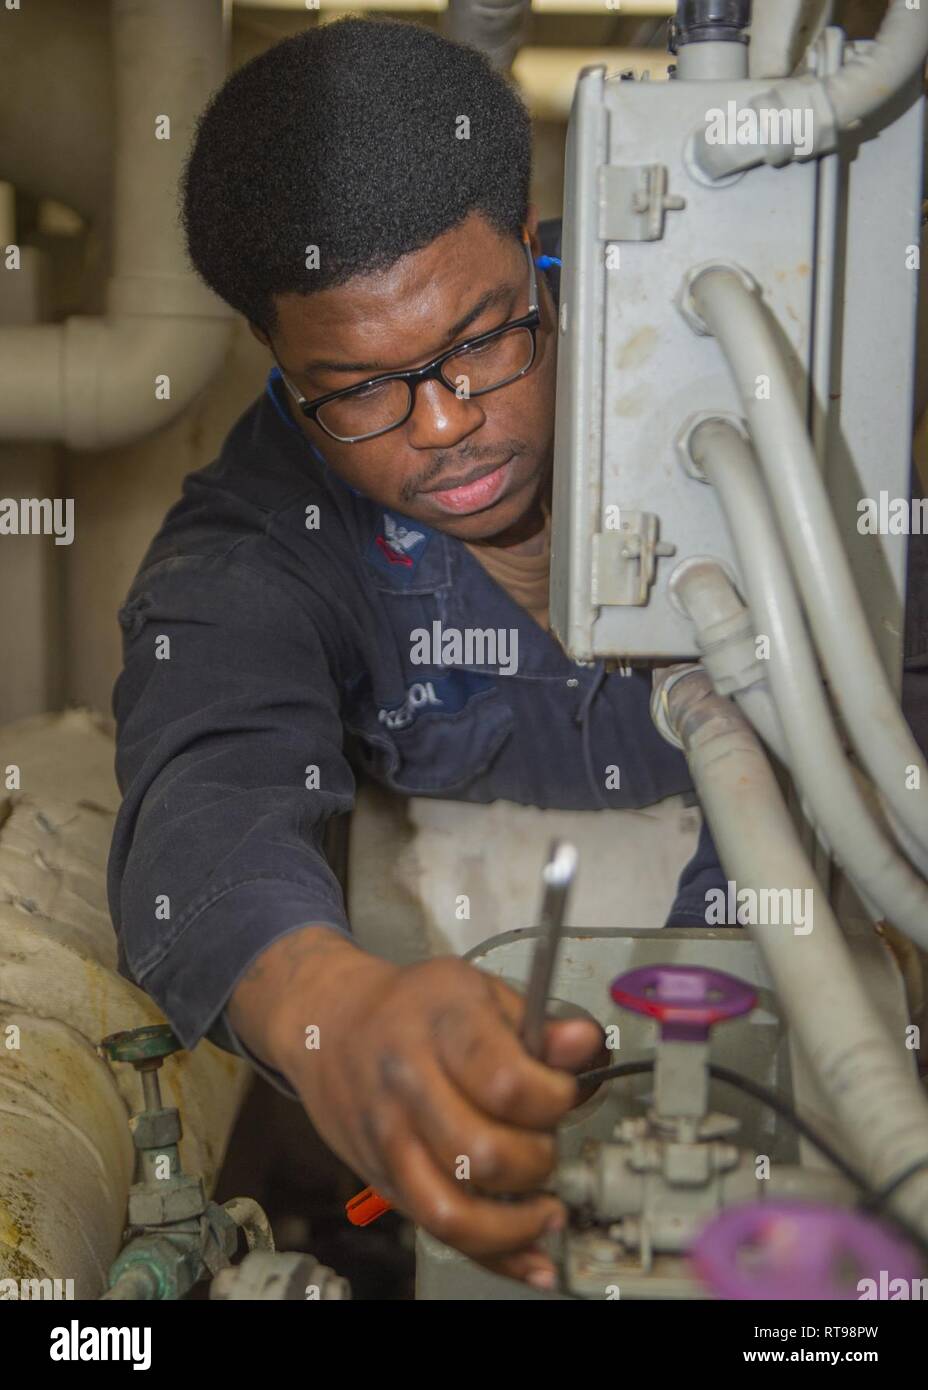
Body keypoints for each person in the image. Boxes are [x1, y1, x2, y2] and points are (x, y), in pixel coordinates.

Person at [108, 16, 725, 1291]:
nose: (447, 425)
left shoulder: (725, 393)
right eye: (360, 389)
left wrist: (713, 981)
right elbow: (206, 789)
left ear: (538, 241)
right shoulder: (255, 542)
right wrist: (339, 1014)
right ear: (279, 369)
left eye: (485, 338)